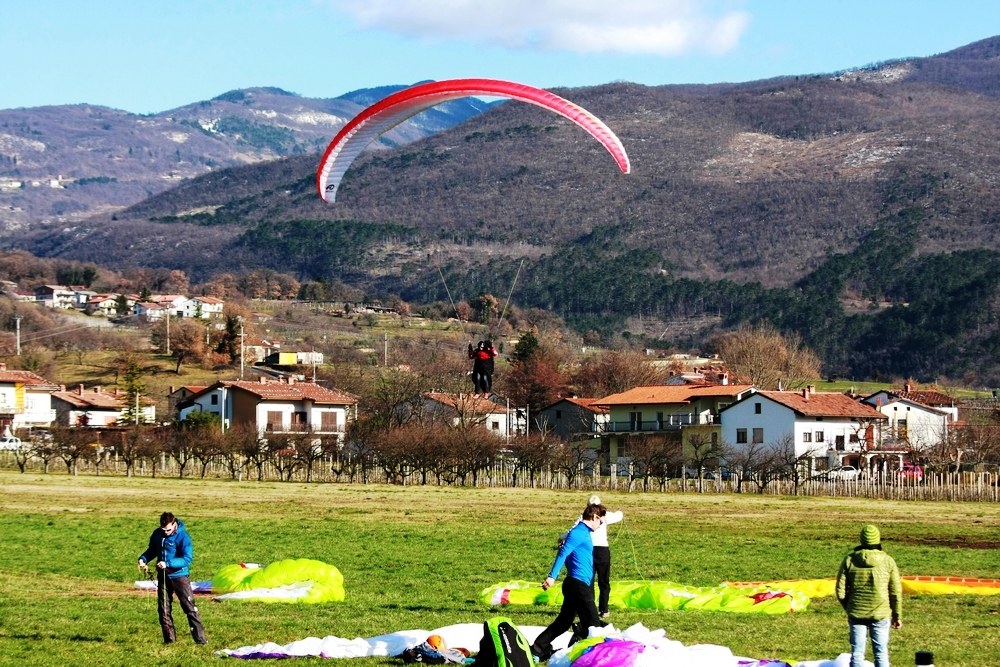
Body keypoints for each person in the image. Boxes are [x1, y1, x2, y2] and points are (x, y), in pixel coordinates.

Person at [530, 502, 605, 662]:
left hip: (577, 585)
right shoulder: (578, 533)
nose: (601, 525)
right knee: (594, 625)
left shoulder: (582, 532)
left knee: (564, 623)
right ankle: (595, 659)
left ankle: (537, 649)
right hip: (577, 585)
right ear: (594, 517)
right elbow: (563, 554)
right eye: (601, 521)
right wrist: (551, 577)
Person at [835, 524, 902, 667]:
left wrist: (850, 607)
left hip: (856, 613)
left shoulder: (849, 560)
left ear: (861, 540)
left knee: (857, 653)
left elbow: (840, 590)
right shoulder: (888, 561)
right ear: (877, 539)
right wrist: (897, 616)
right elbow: (895, 592)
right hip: (881, 613)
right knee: (881, 653)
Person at [137, 512, 207, 645]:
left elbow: (187, 559)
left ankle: (201, 640)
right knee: (163, 609)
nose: (166, 532)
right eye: (163, 530)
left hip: (179, 577)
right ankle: (169, 641)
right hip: (163, 577)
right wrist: (143, 559)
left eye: (168, 530)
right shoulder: (157, 534)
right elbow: (152, 550)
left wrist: (168, 563)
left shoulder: (183, 537)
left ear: (174, 524)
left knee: (189, 608)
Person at [585, 494, 623, 618]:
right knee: (604, 581)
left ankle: (589, 609)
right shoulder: (605, 515)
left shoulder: (584, 516)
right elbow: (619, 515)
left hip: (588, 549)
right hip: (602, 550)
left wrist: (562, 538)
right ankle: (604, 609)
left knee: (589, 580)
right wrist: (620, 512)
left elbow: (573, 529)